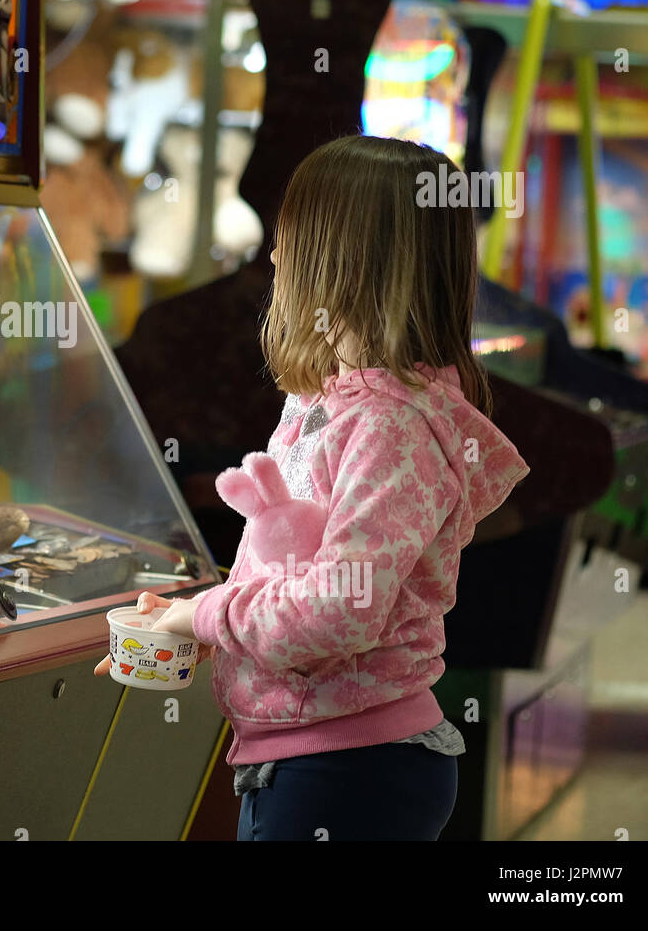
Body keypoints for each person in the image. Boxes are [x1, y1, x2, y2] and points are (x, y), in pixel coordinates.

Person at [97, 135, 530, 841]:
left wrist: (204, 616)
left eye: (288, 238)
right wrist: (188, 622)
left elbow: (340, 609)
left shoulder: (392, 427)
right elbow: (288, 575)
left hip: (351, 772)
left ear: (342, 262)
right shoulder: (327, 401)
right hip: (314, 762)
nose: (273, 257)